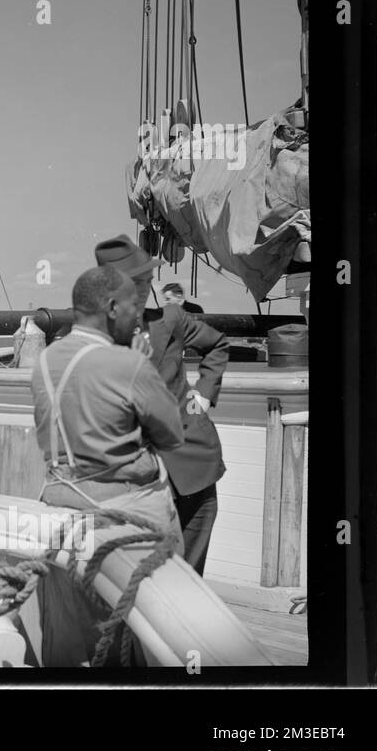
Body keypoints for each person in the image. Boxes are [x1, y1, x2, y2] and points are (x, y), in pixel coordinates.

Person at [30, 264, 186, 666]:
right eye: (135, 306)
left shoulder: (45, 361)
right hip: (127, 518)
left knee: (68, 644)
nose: (140, 314)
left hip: (60, 514)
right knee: (150, 639)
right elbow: (172, 436)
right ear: (113, 308)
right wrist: (143, 368)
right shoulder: (127, 364)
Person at [95, 235, 229, 576]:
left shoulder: (170, 320)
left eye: (146, 280)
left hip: (194, 462)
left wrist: (204, 396)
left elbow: (217, 345)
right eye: (135, 282)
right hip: (142, 478)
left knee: (191, 568)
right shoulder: (95, 340)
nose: (145, 288)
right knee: (147, 569)